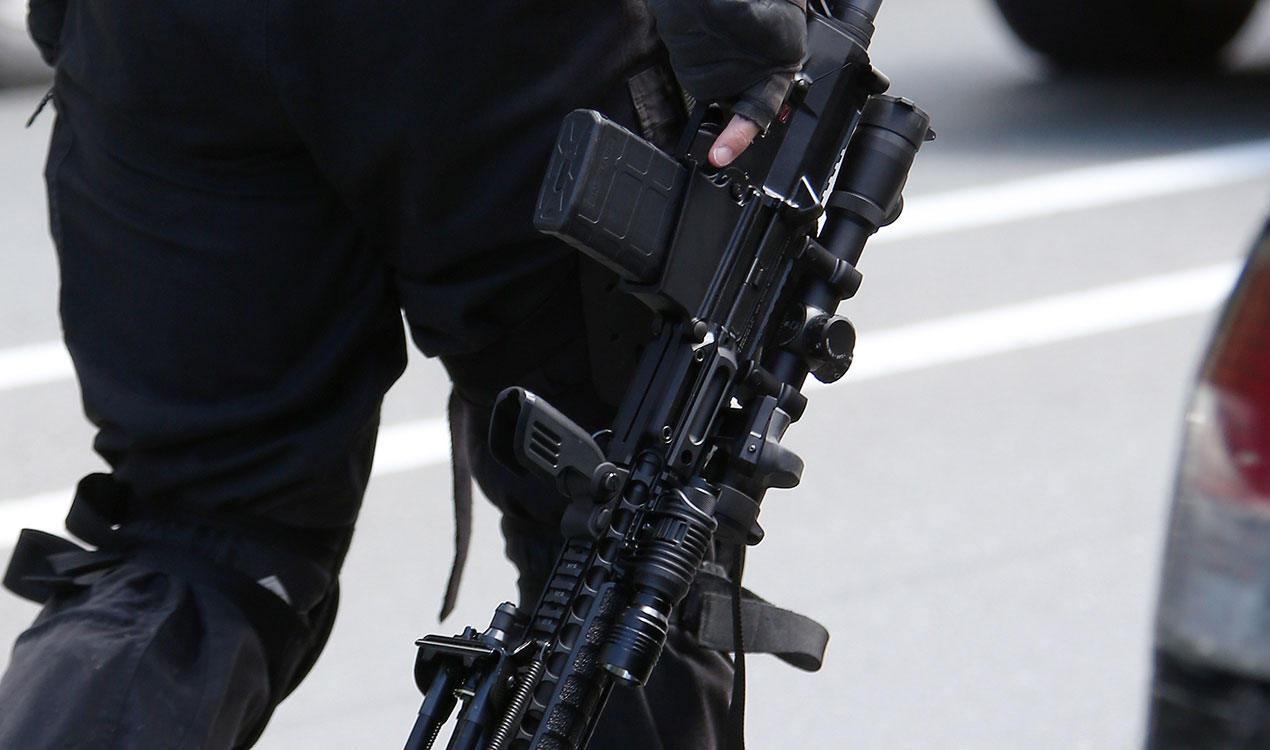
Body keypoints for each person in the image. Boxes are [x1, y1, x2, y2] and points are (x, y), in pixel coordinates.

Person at [0, 0, 808, 747]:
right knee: (622, 533)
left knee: (201, 534)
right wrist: (744, 40)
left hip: (163, 37)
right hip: (495, 40)